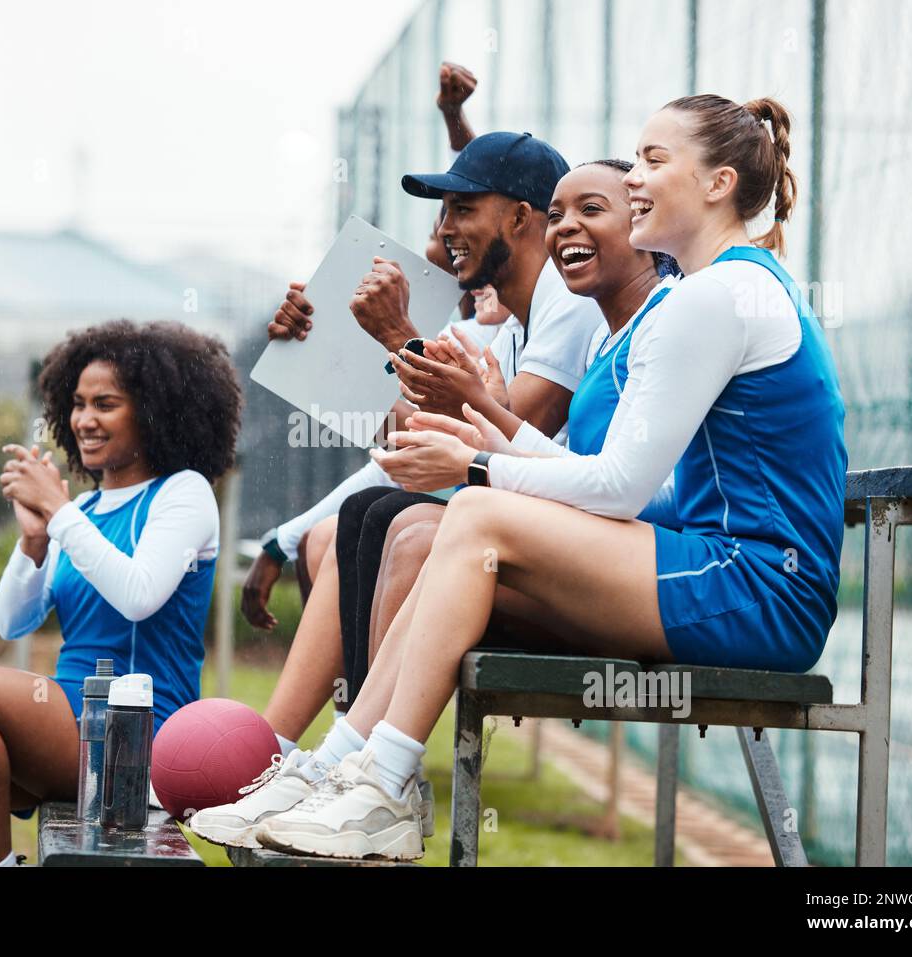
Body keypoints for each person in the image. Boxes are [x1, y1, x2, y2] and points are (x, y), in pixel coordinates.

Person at [252, 93, 847, 861]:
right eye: (634, 158)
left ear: (719, 183)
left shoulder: (716, 296)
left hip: (757, 590)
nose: (636, 176)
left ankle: (383, 782)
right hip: (719, 568)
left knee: (473, 515)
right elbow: (613, 478)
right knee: (440, 528)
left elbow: (621, 489)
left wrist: (474, 463)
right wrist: (482, 426)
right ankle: (345, 768)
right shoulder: (715, 291)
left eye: (653, 161)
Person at [188, 159, 671, 851]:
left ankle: (369, 777)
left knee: (414, 528)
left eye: (460, 210)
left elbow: (596, 477)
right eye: (563, 213)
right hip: (591, 546)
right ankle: (322, 765)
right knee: (361, 524)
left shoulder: (594, 310)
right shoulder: (525, 321)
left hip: (645, 572)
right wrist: (335, 335)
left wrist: (411, 354)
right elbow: (411, 438)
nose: (444, 230)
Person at [0, 320, 242, 866]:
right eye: (77, 403)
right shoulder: (83, 515)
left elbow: (139, 595)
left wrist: (61, 514)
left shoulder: (182, 494)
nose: (84, 420)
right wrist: (36, 539)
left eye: (105, 404)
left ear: (154, 411)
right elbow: (11, 623)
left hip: (139, 740)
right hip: (68, 726)